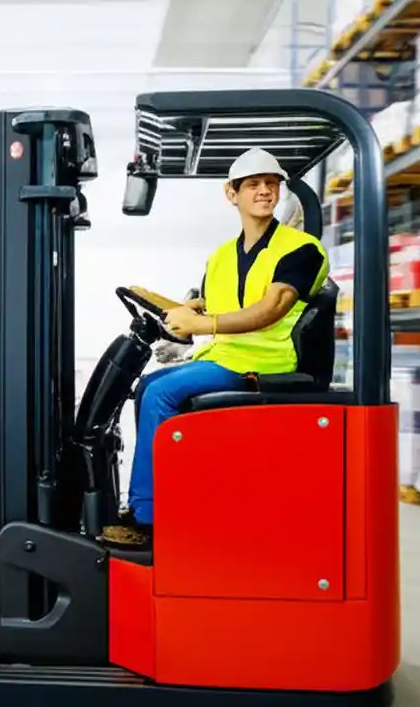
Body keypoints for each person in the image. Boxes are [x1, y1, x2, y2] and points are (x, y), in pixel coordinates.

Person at [104, 148, 329, 547]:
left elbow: (271, 307)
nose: (264, 191)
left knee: (159, 392)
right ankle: (165, 499)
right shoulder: (222, 256)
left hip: (267, 362)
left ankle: (149, 519)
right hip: (224, 357)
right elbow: (213, 301)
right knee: (143, 388)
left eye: (271, 184)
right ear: (232, 194)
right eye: (254, 185)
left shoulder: (301, 249)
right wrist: (178, 306)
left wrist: (201, 323)